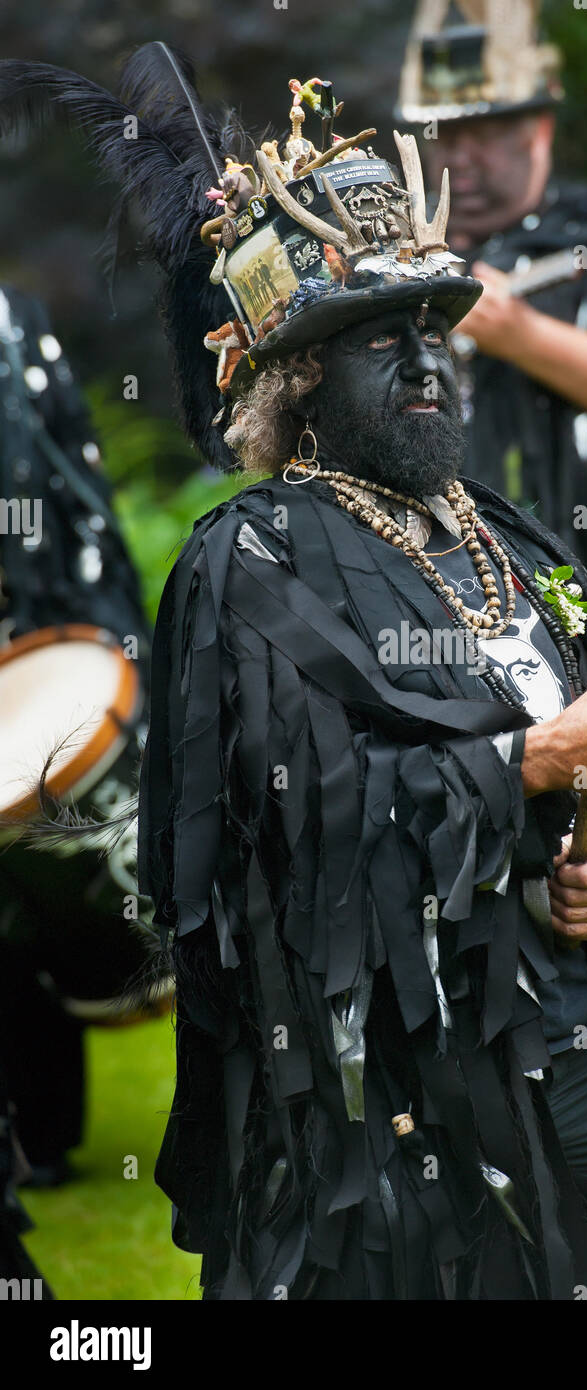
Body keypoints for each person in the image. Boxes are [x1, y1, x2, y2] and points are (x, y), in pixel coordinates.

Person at [3, 45, 587, 1302]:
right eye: (374, 341)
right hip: (421, 1100)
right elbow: (297, 830)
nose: (423, 361)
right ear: (296, 384)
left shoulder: (505, 532)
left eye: (430, 328)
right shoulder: (253, 560)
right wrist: (533, 762)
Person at [397, 0, 587, 758]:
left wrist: (517, 334)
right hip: (419, 602)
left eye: (491, 132)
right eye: (450, 135)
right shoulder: (388, 260)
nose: (470, 156)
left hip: (585, 589)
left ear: (541, 129)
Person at [0, 284, 151, 1186]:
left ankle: (39, 1134)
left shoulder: (14, 316)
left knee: (27, 880)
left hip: (46, 619)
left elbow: (65, 485)